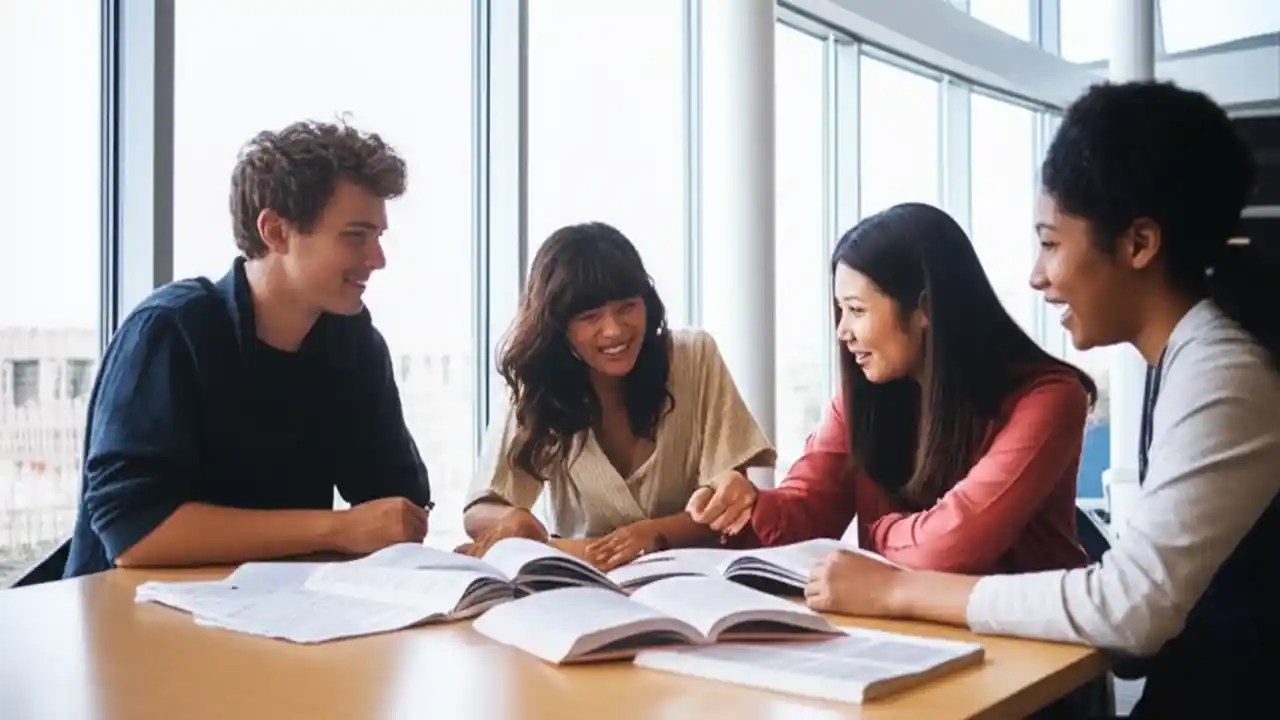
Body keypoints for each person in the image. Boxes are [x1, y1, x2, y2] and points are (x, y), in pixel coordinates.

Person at [800, 82, 1280, 716]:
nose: (1035, 274)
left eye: (1051, 243)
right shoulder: (1195, 354)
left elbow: (1131, 608)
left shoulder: (1223, 367)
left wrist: (896, 592)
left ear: (1138, 244)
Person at [64, 121, 432, 578]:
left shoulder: (352, 343)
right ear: (276, 231)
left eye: (378, 236)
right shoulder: (170, 330)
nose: (378, 259)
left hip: (281, 617)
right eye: (356, 236)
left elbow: (395, 506)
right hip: (138, 623)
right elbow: (134, 532)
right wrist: (335, 529)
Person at [688, 202, 1096, 576]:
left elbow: (951, 546)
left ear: (925, 309)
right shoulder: (862, 398)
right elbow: (810, 506)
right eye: (840, 310)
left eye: (857, 310)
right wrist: (753, 503)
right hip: (908, 635)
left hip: (1037, 644)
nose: (842, 331)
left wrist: (878, 535)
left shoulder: (1049, 399)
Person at [460, 221, 775, 570]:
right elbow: (480, 509)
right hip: (584, 587)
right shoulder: (536, 382)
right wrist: (514, 521)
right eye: (590, 316)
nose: (614, 330)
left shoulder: (694, 358)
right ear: (557, 326)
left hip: (698, 581)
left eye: (627, 306)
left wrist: (654, 533)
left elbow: (729, 503)